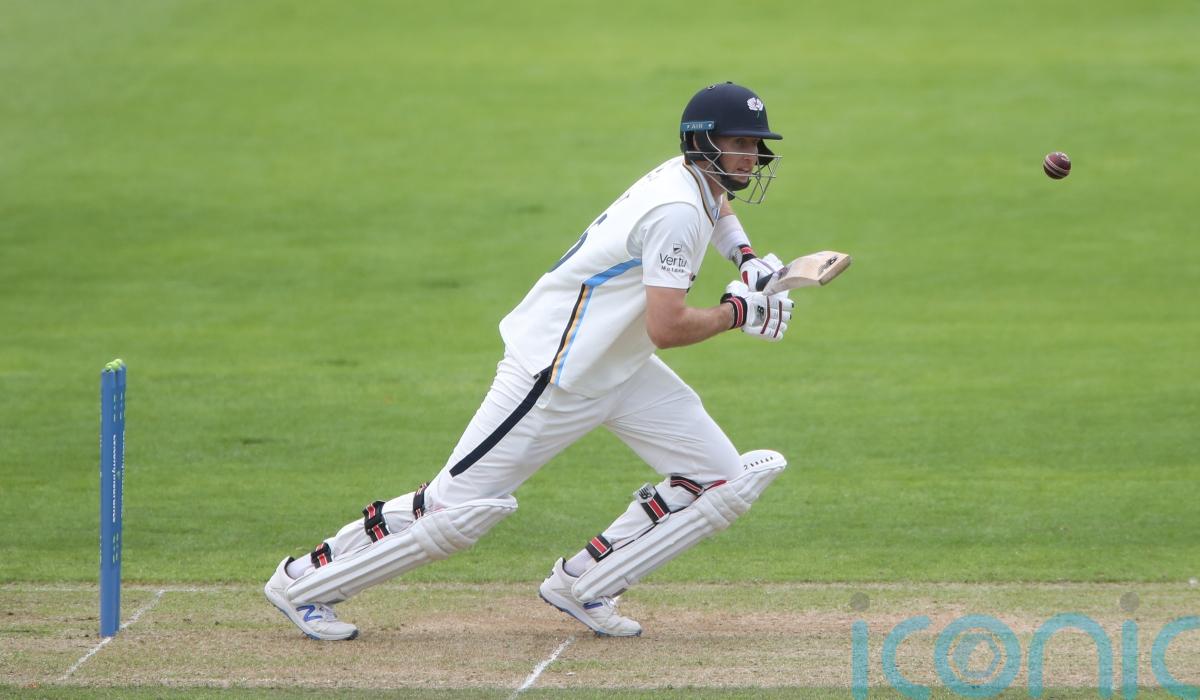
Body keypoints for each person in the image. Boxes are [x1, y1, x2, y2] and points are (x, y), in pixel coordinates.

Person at [265, 81, 795, 640]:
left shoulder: (693, 180)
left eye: (756, 145)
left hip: (617, 367)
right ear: (703, 143)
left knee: (719, 478)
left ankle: (584, 582)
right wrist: (739, 312)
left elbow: (720, 209)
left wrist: (749, 261)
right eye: (740, 143)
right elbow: (666, 327)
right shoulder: (675, 211)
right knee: (454, 513)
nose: (752, 156)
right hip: (553, 373)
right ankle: (304, 581)